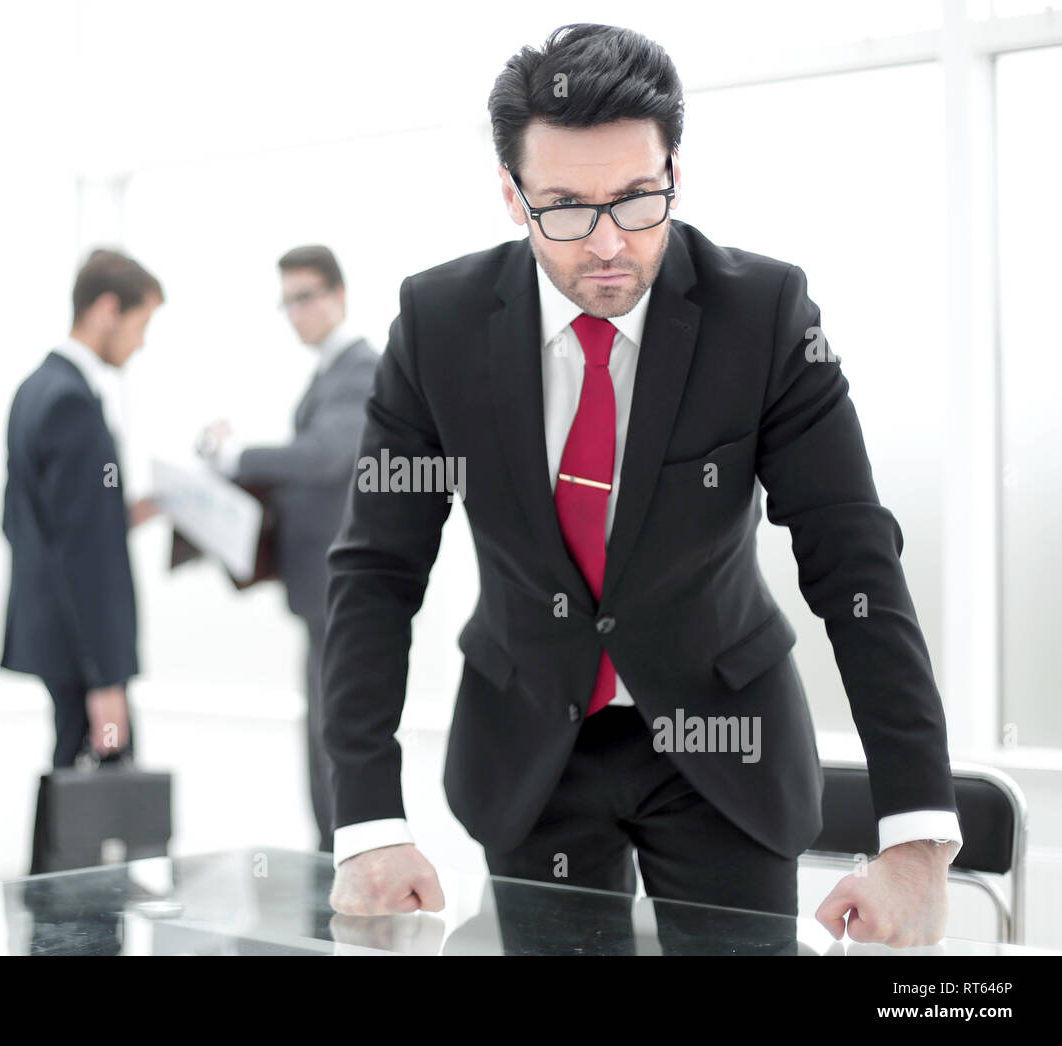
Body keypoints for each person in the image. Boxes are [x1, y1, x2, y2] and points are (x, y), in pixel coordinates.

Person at [323, 23, 963, 949]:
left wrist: (912, 837)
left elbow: (852, 557)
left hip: (723, 750)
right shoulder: (437, 325)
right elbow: (376, 573)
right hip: (530, 750)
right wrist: (370, 823)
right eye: (567, 209)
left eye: (636, 198)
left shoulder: (766, 316)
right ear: (512, 197)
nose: (609, 243)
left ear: (675, 174)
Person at [200, 246, 379, 854]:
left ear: (339, 296)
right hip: (319, 590)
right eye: (287, 302)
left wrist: (237, 459)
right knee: (324, 731)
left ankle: (343, 861)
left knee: (335, 734)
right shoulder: (328, 374)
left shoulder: (357, 369)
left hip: (339, 589)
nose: (295, 313)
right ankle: (334, 859)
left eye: (305, 297)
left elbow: (327, 456)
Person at [0, 248, 164, 770]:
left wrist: (123, 513)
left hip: (57, 642)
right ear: (106, 310)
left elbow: (22, 521)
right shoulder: (72, 401)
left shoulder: (34, 390)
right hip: (85, 658)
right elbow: (82, 552)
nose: (142, 342)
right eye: (142, 323)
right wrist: (106, 679)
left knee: (73, 792)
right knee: (98, 810)